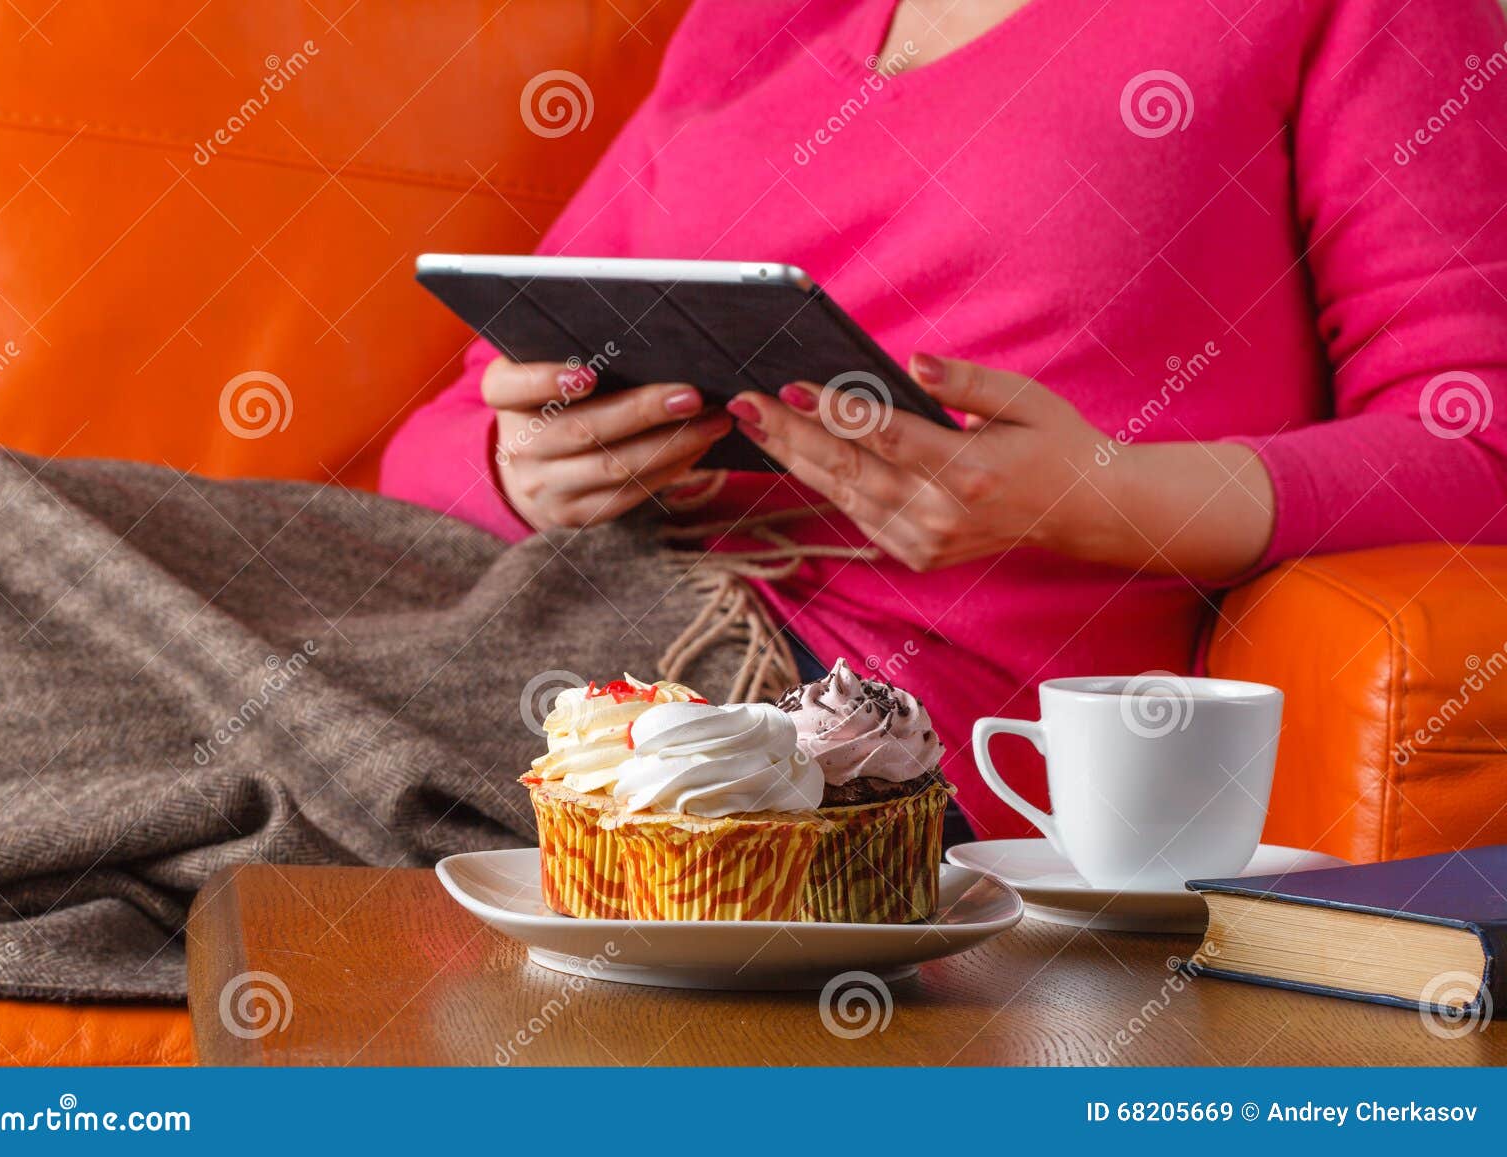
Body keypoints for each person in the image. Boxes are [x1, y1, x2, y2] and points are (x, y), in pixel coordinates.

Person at [380, 0, 1507, 838]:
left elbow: (1476, 434)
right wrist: (519, 465)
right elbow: (438, 439)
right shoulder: (755, 20)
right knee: (199, 568)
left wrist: (1103, 503)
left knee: (208, 684)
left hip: (854, 706)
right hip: (555, 587)